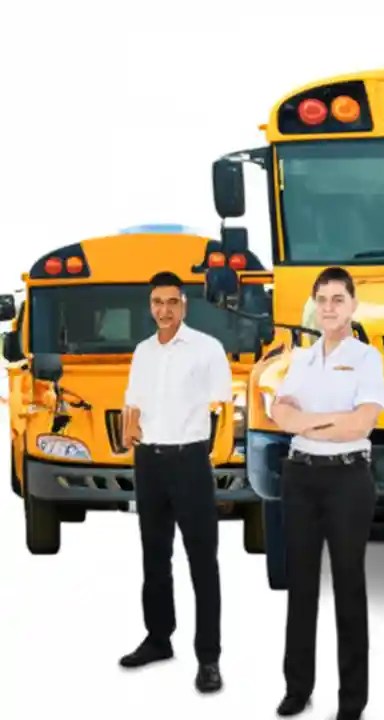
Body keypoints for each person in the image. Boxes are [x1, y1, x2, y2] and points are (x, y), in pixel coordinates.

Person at [268, 266, 384, 720]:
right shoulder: (301, 359)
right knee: (300, 587)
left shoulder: (366, 358)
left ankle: (352, 701)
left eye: (338, 299)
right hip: (301, 478)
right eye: (322, 300)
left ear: (353, 305)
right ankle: (297, 688)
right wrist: (323, 421)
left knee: (348, 587)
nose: (329, 308)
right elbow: (280, 413)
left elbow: (362, 423)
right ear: (314, 307)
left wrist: (307, 423)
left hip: (346, 481)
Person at [119, 270, 231, 694]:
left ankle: (209, 658)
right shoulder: (143, 351)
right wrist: (129, 432)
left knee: (202, 562)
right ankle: (158, 638)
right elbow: (133, 402)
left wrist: (216, 456)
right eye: (157, 302)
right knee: (154, 556)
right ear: (150, 306)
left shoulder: (206, 348)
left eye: (171, 302)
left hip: (190, 462)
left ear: (183, 304)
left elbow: (223, 405)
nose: (163, 310)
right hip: (149, 462)